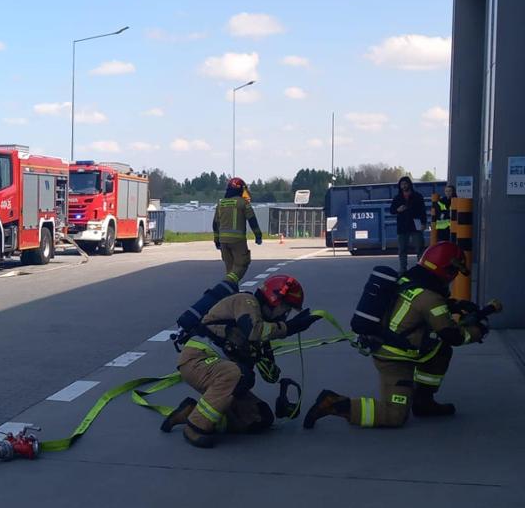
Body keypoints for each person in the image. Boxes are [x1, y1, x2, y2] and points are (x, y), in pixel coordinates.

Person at [304, 242, 485, 429]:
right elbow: (452, 335)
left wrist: (454, 305)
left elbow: (418, 307)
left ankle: (424, 401)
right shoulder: (431, 298)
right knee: (394, 415)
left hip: (392, 344)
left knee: (440, 351)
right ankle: (335, 403)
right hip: (394, 358)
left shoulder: (410, 280)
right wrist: (478, 331)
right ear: (448, 272)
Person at [161, 275, 321, 448]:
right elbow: (254, 331)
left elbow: (269, 374)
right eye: (286, 308)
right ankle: (195, 427)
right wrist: (290, 327)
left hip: (219, 369)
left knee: (260, 418)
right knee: (240, 374)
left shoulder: (262, 322)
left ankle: (191, 411)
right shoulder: (246, 302)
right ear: (275, 300)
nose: (285, 315)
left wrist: (275, 377)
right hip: (197, 361)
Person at [212, 177, 262, 284]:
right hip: (237, 241)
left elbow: (215, 224)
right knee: (242, 264)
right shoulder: (243, 203)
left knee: (230, 269)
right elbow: (252, 220)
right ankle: (226, 284)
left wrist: (216, 240)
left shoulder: (221, 204)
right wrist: (258, 235)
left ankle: (232, 292)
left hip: (223, 241)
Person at [390, 176, 427, 273]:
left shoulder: (418, 196)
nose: (404, 186)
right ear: (400, 186)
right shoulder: (398, 198)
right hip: (402, 225)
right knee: (402, 249)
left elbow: (423, 210)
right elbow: (392, 210)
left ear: (409, 184)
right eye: (402, 184)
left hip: (416, 223)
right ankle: (403, 269)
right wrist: (398, 209)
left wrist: (423, 223)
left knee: (419, 247)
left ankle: (420, 269)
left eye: (405, 184)